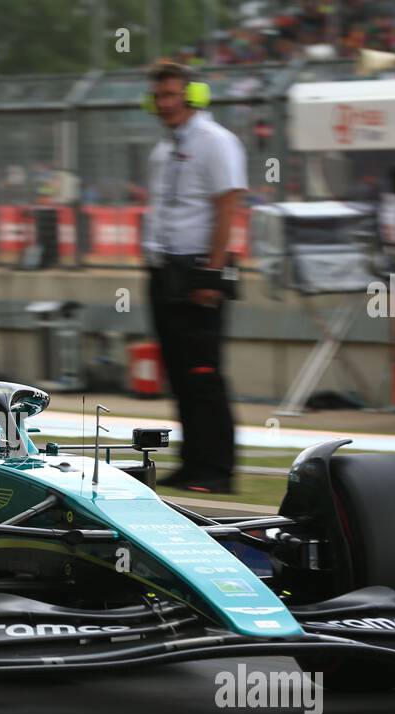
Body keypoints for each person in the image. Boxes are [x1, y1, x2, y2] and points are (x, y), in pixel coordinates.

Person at [142, 60, 247, 495]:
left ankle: (217, 470)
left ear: (191, 96)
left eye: (172, 95)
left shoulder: (216, 141)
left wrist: (213, 271)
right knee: (180, 373)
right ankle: (192, 463)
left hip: (198, 269)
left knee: (205, 374)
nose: (166, 104)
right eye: (159, 96)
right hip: (164, 271)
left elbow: (228, 205)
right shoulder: (164, 150)